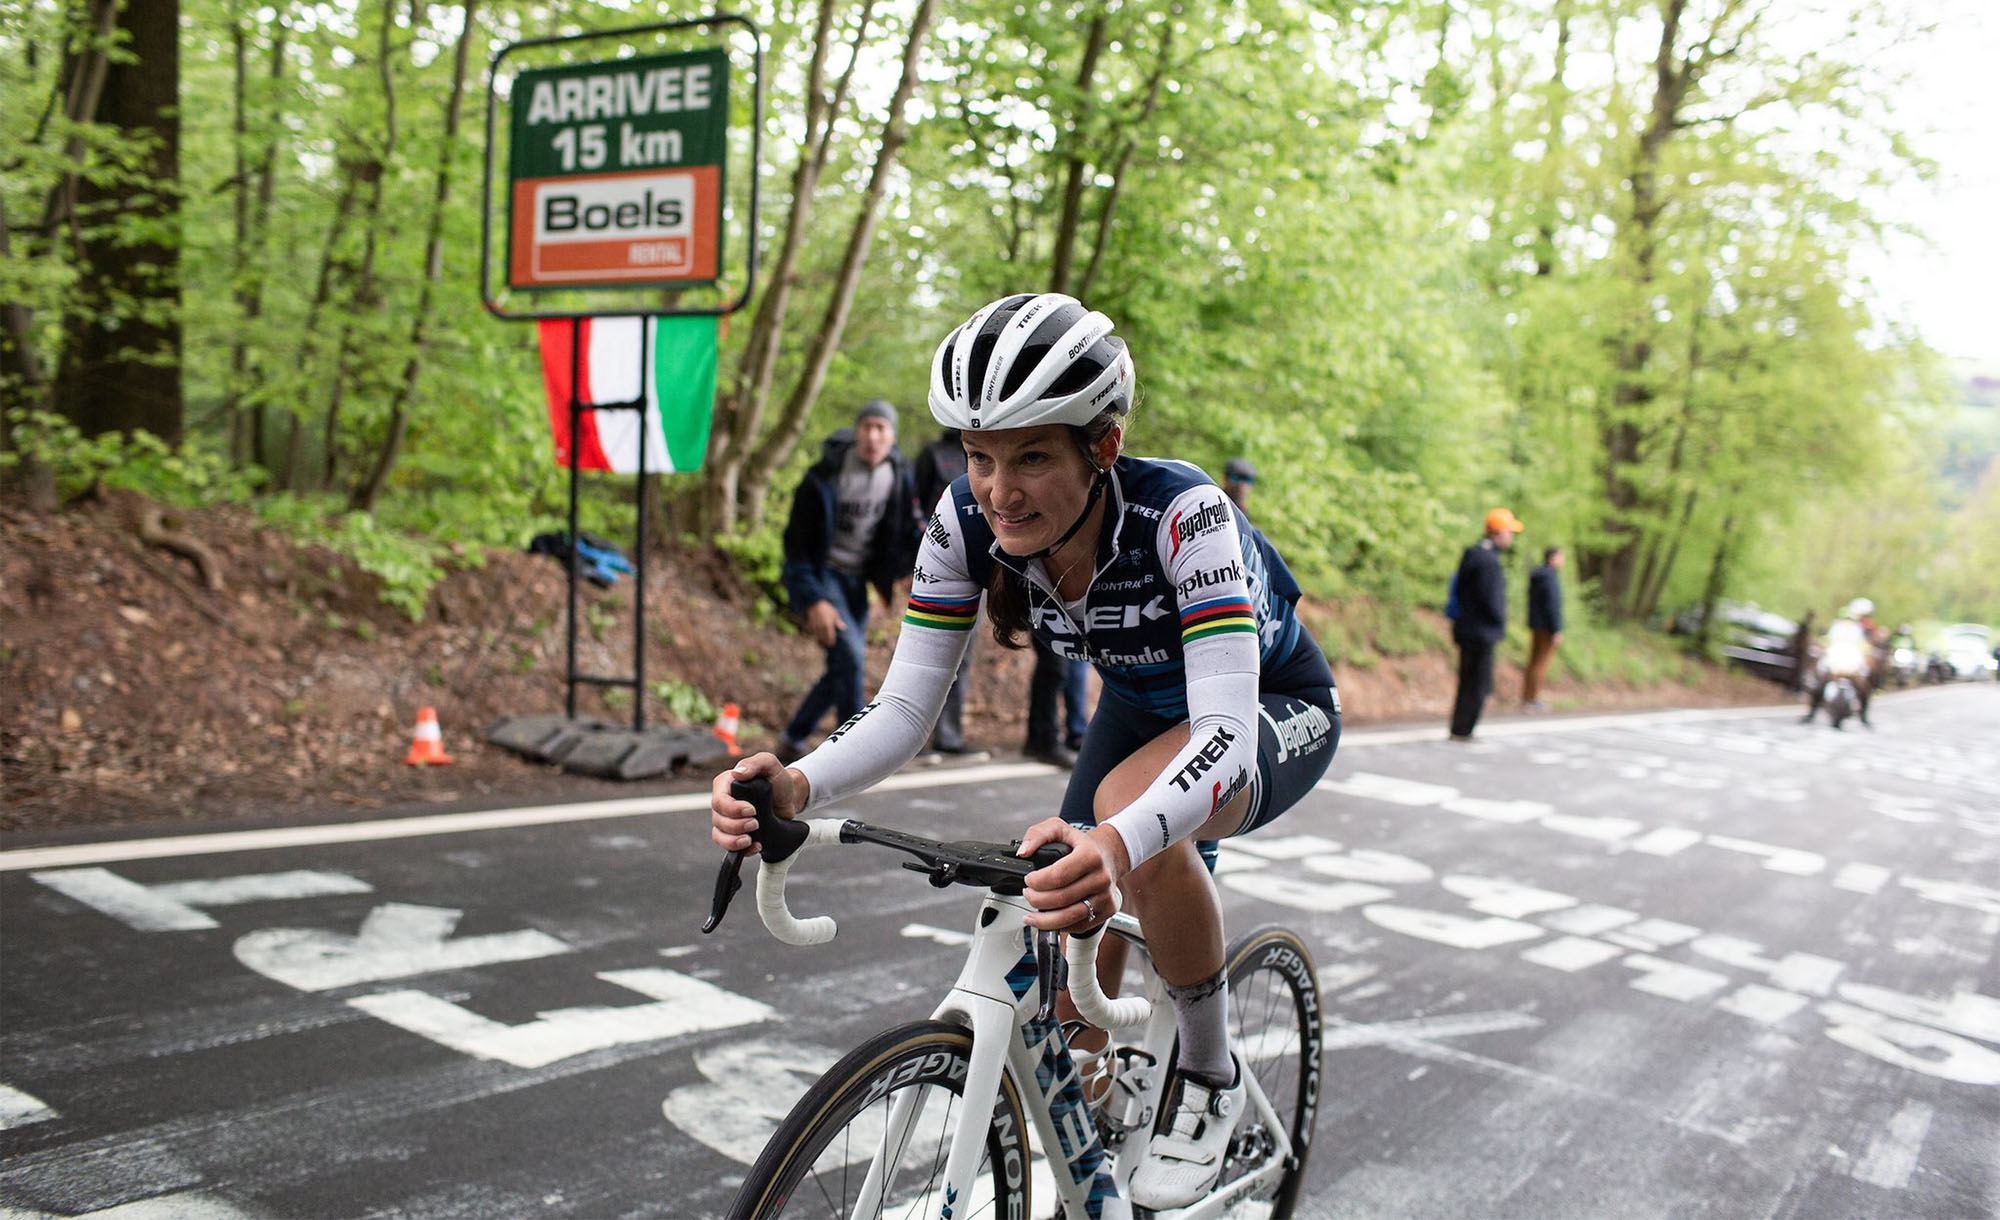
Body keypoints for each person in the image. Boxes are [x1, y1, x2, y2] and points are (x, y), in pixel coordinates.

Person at [711, 292, 1340, 1210]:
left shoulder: (1184, 516)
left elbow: (1222, 734)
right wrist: (798, 781)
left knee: (1132, 825)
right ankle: (1097, 1153)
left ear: (1104, 448)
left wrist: (1121, 842)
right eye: (979, 455)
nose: (998, 489)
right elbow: (900, 709)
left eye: (1034, 456)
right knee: (1066, 974)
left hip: (1268, 708)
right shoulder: (964, 522)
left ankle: (1207, 1075)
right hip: (1136, 709)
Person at [774, 400, 921, 761]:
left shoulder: (899, 475)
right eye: (866, 427)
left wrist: (909, 572)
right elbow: (795, 548)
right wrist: (813, 599)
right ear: (856, 432)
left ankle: (794, 736)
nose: (873, 436)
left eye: (881, 428)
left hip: (858, 582)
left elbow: (902, 534)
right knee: (852, 658)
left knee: (843, 663)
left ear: (892, 436)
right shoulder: (824, 475)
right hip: (825, 577)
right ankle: (853, 752)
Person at [912, 426, 986, 759]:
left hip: (978, 568)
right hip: (937, 568)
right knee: (928, 655)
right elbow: (912, 503)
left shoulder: (992, 448)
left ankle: (949, 736)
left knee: (963, 656)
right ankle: (917, 740)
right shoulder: (933, 453)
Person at [1449, 507, 1521, 741]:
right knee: (1478, 683)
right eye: (1509, 532)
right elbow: (1491, 599)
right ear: (1498, 532)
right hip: (1482, 632)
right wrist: (1500, 621)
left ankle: (1459, 727)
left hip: (1465, 629)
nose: (1511, 537)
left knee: (1466, 680)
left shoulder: (1472, 553)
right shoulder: (1489, 561)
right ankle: (1465, 729)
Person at [1802, 597, 1876, 728]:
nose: (1847, 621)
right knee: (1819, 684)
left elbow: (1865, 646)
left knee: (1864, 688)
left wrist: (1868, 654)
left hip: (1852, 664)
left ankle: (1863, 716)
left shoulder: (1857, 630)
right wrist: (1821, 647)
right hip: (1834, 662)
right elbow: (1826, 641)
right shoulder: (1835, 628)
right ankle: (1811, 712)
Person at [1521, 545, 1565, 710]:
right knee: (1541, 663)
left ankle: (1527, 697)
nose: (1563, 560)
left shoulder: (1537, 575)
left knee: (1533, 661)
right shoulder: (1550, 578)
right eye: (1561, 557)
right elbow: (1552, 605)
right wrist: (1556, 629)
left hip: (1535, 625)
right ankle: (1532, 699)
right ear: (1553, 558)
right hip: (1547, 627)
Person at [1221, 457, 1256, 521]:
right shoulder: (1215, 504)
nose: (1241, 484)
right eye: (1236, 478)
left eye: (1247, 480)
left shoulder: (1245, 516)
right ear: (1225, 479)